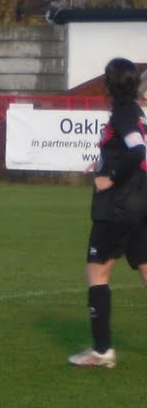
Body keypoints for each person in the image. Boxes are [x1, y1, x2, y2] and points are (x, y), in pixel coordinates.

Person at [73, 56, 147, 368]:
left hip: (119, 206)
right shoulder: (134, 112)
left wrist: (110, 177)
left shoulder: (124, 114)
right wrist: (103, 163)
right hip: (140, 201)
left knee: (97, 271)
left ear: (109, 84)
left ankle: (102, 350)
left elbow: (138, 151)